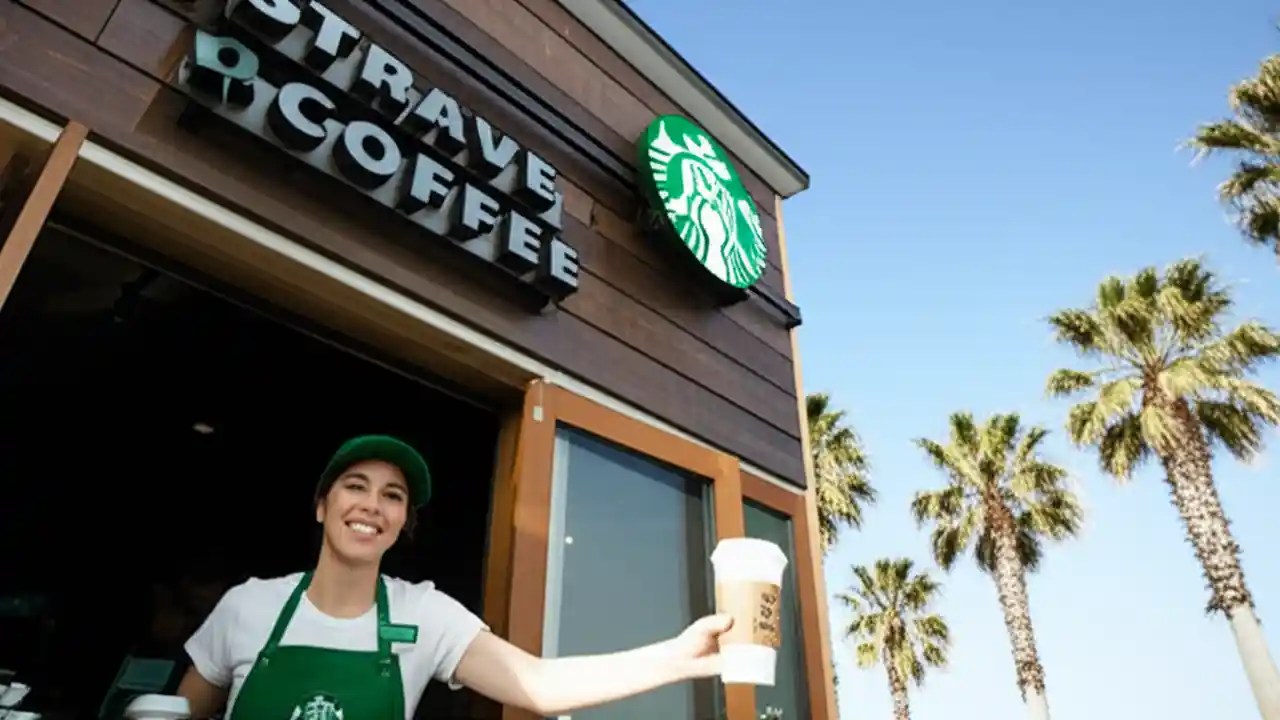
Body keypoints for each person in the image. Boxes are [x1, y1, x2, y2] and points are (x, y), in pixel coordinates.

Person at [176, 434, 734, 719]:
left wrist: (680, 657)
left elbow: (538, 686)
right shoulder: (249, 606)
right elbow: (181, 711)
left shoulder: (424, 615)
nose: (372, 505)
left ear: (401, 525)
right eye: (355, 486)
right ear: (322, 505)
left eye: (392, 496)